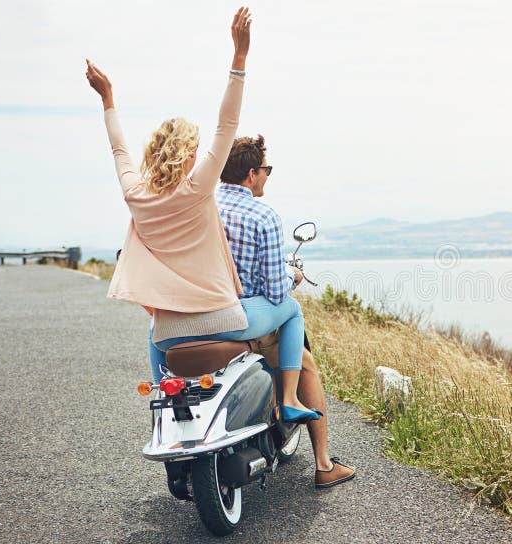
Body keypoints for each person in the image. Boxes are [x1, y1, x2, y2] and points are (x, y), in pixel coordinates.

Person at [86, 7, 318, 423]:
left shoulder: (136, 195)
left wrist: (108, 99)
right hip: (223, 317)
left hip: (171, 329)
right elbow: (227, 122)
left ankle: (165, 410)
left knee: (157, 339)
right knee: (293, 311)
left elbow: (119, 149)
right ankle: (288, 399)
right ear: (191, 154)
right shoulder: (198, 188)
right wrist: (240, 56)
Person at [216, 135, 355, 488]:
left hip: (202, 317)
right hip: (245, 321)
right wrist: (291, 274)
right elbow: (274, 290)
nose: (266, 176)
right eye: (266, 170)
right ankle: (323, 463)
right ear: (251, 173)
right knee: (304, 354)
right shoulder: (263, 215)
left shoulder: (203, 207)